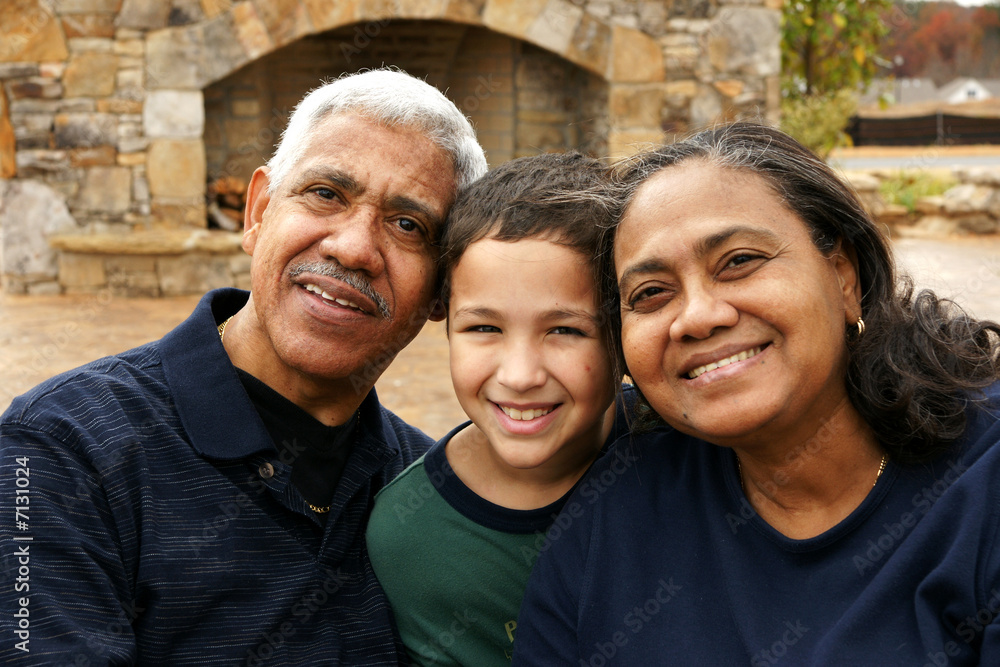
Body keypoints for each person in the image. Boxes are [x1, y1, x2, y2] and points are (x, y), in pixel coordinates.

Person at [0, 68, 486, 664]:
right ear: (257, 212)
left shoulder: (430, 489)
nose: (353, 247)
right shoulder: (60, 449)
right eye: (326, 193)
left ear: (444, 292)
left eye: (408, 225)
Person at [513, 123, 1000, 665]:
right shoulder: (613, 514)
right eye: (650, 293)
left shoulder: (983, 484)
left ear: (843, 276)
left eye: (739, 261)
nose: (697, 317)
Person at [365, 152, 631, 665]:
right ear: (444, 325)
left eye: (566, 330)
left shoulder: (685, 444)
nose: (520, 374)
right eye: (484, 328)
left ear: (622, 335)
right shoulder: (408, 538)